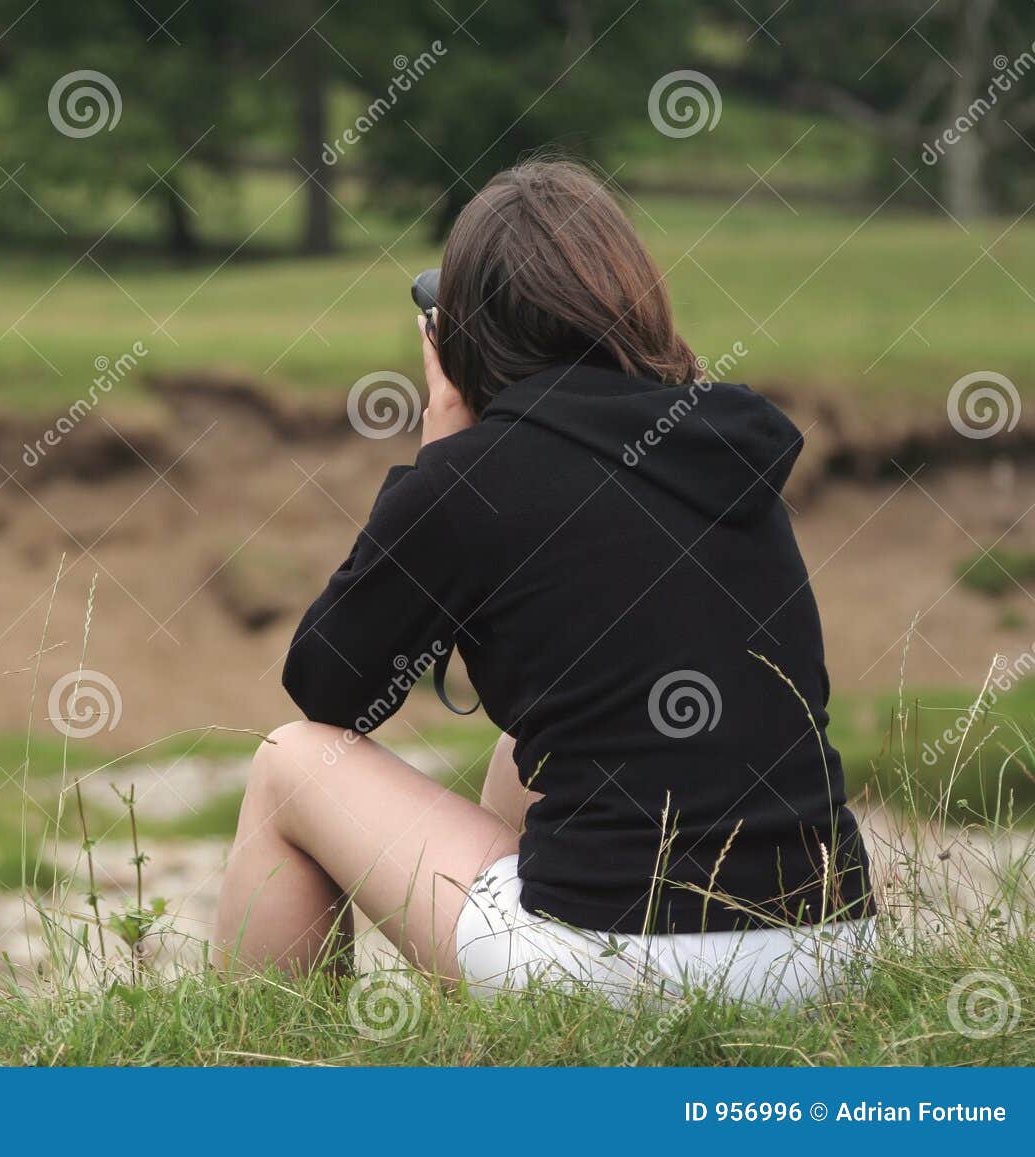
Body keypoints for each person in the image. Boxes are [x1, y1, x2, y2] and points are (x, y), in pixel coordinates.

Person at [213, 159, 873, 1006]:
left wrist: (439, 457)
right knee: (521, 761)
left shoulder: (475, 478)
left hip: (626, 973)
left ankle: (260, 1089)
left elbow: (328, 689)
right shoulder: (728, 452)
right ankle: (508, 1050)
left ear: (460, 340)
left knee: (288, 767)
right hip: (830, 950)